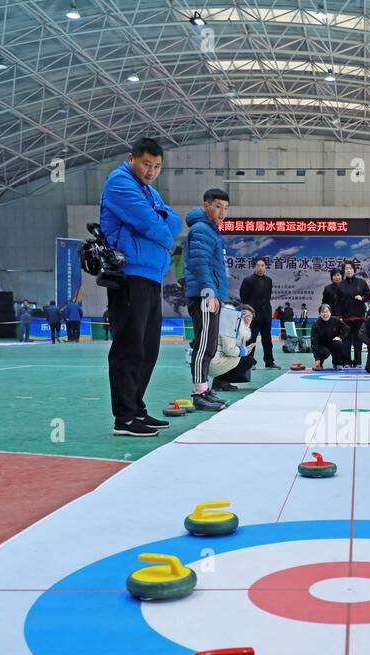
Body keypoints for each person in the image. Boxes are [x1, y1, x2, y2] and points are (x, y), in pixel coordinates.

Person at [100, 135, 185, 437]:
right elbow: (157, 228)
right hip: (129, 274)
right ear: (132, 158)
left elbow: (174, 222)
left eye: (157, 166)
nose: (151, 171)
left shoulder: (148, 191)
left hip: (151, 275)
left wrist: (160, 225)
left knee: (148, 348)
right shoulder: (120, 183)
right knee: (129, 346)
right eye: (146, 164)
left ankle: (137, 408)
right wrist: (161, 230)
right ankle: (124, 417)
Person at [183, 187, 232, 412]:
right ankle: (198, 393)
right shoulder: (202, 229)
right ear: (206, 206)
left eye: (226, 208)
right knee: (203, 346)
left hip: (211, 295)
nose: (222, 212)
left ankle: (204, 389)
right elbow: (199, 264)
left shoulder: (212, 230)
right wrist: (210, 292)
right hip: (204, 296)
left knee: (210, 345)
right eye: (218, 206)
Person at [239, 257, 276, 369]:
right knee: (251, 340)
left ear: (265, 267)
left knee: (267, 340)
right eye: (258, 265)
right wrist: (248, 314)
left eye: (263, 265)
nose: (260, 268)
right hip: (253, 317)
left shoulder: (269, 280)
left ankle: (269, 362)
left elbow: (268, 297)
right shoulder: (247, 280)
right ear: (254, 266)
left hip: (266, 316)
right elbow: (244, 299)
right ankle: (250, 363)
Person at [210, 305, 257, 390]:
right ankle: (220, 381)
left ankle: (223, 381)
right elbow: (229, 350)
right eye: (243, 315)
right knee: (248, 361)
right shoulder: (231, 328)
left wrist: (244, 351)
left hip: (218, 359)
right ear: (237, 316)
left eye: (250, 316)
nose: (247, 318)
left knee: (247, 360)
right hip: (214, 361)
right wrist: (245, 350)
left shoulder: (241, 329)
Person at [310, 303, 348, 369]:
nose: (325, 314)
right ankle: (320, 363)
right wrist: (317, 358)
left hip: (333, 343)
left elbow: (346, 328)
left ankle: (337, 362)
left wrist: (340, 337)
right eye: (323, 312)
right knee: (324, 352)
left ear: (330, 312)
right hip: (322, 346)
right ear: (320, 314)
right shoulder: (316, 325)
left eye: (327, 312)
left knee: (339, 344)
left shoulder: (336, 320)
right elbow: (314, 343)